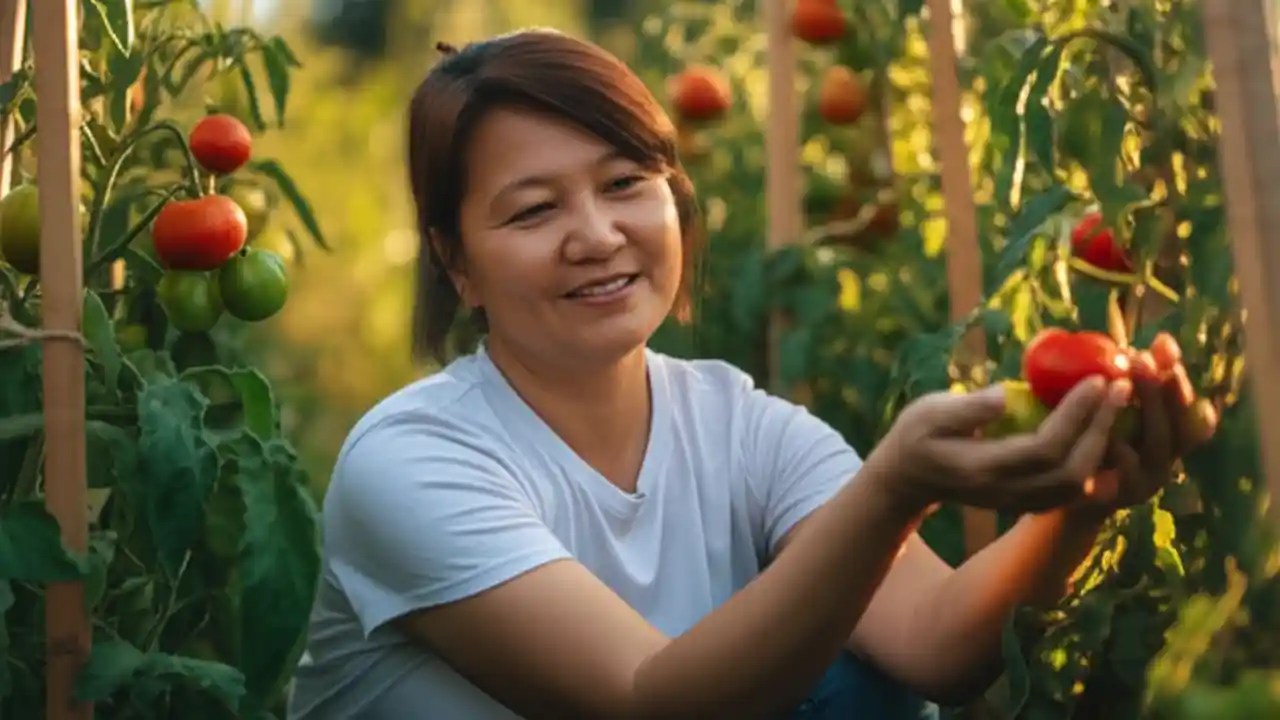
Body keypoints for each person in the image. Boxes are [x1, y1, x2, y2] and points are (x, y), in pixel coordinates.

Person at [287, 27, 1200, 720]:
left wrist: (1085, 498)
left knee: (865, 680)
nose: (598, 236)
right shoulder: (411, 463)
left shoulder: (737, 421)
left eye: (624, 184)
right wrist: (891, 491)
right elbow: (649, 703)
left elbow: (938, 645)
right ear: (457, 267)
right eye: (532, 212)